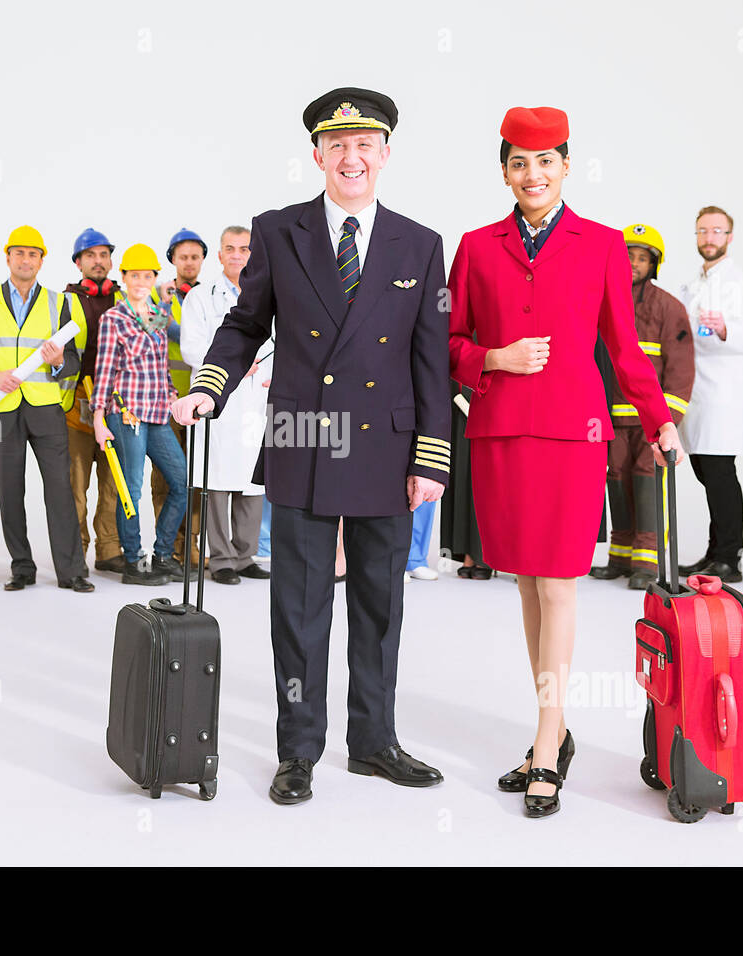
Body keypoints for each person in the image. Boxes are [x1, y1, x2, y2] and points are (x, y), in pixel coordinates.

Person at [173, 87, 451, 806]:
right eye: (338, 146)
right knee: (297, 609)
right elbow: (243, 326)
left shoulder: (419, 244)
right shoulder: (277, 231)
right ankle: (297, 751)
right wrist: (211, 386)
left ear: (384, 154)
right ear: (318, 155)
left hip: (387, 454)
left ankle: (375, 742)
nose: (351, 157)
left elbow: (430, 360)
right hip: (303, 441)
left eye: (365, 145)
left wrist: (431, 456)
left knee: (380, 605)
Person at [447, 106, 683, 818]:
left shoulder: (603, 245)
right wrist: (494, 357)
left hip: (571, 435)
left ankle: (548, 741)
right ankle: (553, 725)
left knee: (558, 586)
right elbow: (450, 340)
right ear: (504, 171)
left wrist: (659, 419)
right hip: (498, 435)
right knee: (525, 582)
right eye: (519, 161)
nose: (532, 174)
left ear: (566, 166)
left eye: (545, 161)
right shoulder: (477, 245)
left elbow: (622, 348)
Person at [0, 225, 93, 593]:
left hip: (46, 408)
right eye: (19, 253)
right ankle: (22, 568)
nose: (26, 259)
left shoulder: (59, 301)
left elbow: (74, 363)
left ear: (42, 260)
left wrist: (59, 361)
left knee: (59, 490)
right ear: (8, 257)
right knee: (9, 487)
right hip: (1, 409)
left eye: (33, 254)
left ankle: (72, 571)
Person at [589, 223, 694, 590]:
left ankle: (647, 563)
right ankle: (619, 557)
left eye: (641, 258)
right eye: (627, 256)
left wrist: (667, 422)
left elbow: (680, 371)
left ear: (654, 264)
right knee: (616, 481)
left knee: (647, 483)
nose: (633, 263)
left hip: (649, 423)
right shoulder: (599, 298)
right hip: (610, 419)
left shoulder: (669, 307)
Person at [178, 226, 272, 585]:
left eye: (244, 249)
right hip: (216, 397)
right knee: (216, 479)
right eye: (229, 249)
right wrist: (232, 365)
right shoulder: (201, 297)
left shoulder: (267, 295)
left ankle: (246, 554)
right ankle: (220, 559)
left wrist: (271, 372)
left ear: (253, 255)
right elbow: (191, 348)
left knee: (252, 479)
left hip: (256, 397)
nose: (237, 255)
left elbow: (281, 342)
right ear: (219, 255)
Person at [676, 206, 743, 582]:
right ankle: (715, 553)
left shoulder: (740, 284)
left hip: (723, 395)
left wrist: (726, 328)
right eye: (702, 231)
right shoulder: (693, 283)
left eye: (716, 231)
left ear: (729, 237)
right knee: (705, 473)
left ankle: (730, 556)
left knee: (720, 475)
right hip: (695, 394)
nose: (709, 238)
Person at [91, 244, 186, 587]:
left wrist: (172, 394)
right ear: (124, 278)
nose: (141, 281)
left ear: (155, 278)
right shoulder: (114, 319)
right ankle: (134, 561)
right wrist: (99, 419)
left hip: (158, 413)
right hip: (126, 413)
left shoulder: (160, 315)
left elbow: (162, 363)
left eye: (148, 275)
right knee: (130, 489)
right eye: (135, 275)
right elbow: (104, 371)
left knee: (181, 482)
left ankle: (161, 554)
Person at [62, 228, 123, 574]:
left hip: (117, 401)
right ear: (78, 262)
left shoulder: (126, 299)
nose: (98, 262)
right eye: (90, 256)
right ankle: (76, 551)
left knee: (113, 479)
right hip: (77, 400)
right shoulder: (64, 301)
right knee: (77, 481)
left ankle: (109, 549)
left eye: (103, 255)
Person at [152, 227, 208, 570]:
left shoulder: (210, 296)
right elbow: (157, 327)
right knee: (167, 478)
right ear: (172, 259)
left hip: (200, 399)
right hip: (166, 399)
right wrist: (163, 304)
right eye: (182, 256)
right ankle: (166, 548)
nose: (188, 262)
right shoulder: (161, 296)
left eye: (195, 257)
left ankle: (191, 547)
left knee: (197, 478)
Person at [440, 380, 492, 579]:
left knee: (485, 484)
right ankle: (467, 553)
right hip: (459, 398)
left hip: (488, 395)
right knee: (463, 477)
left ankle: (483, 555)